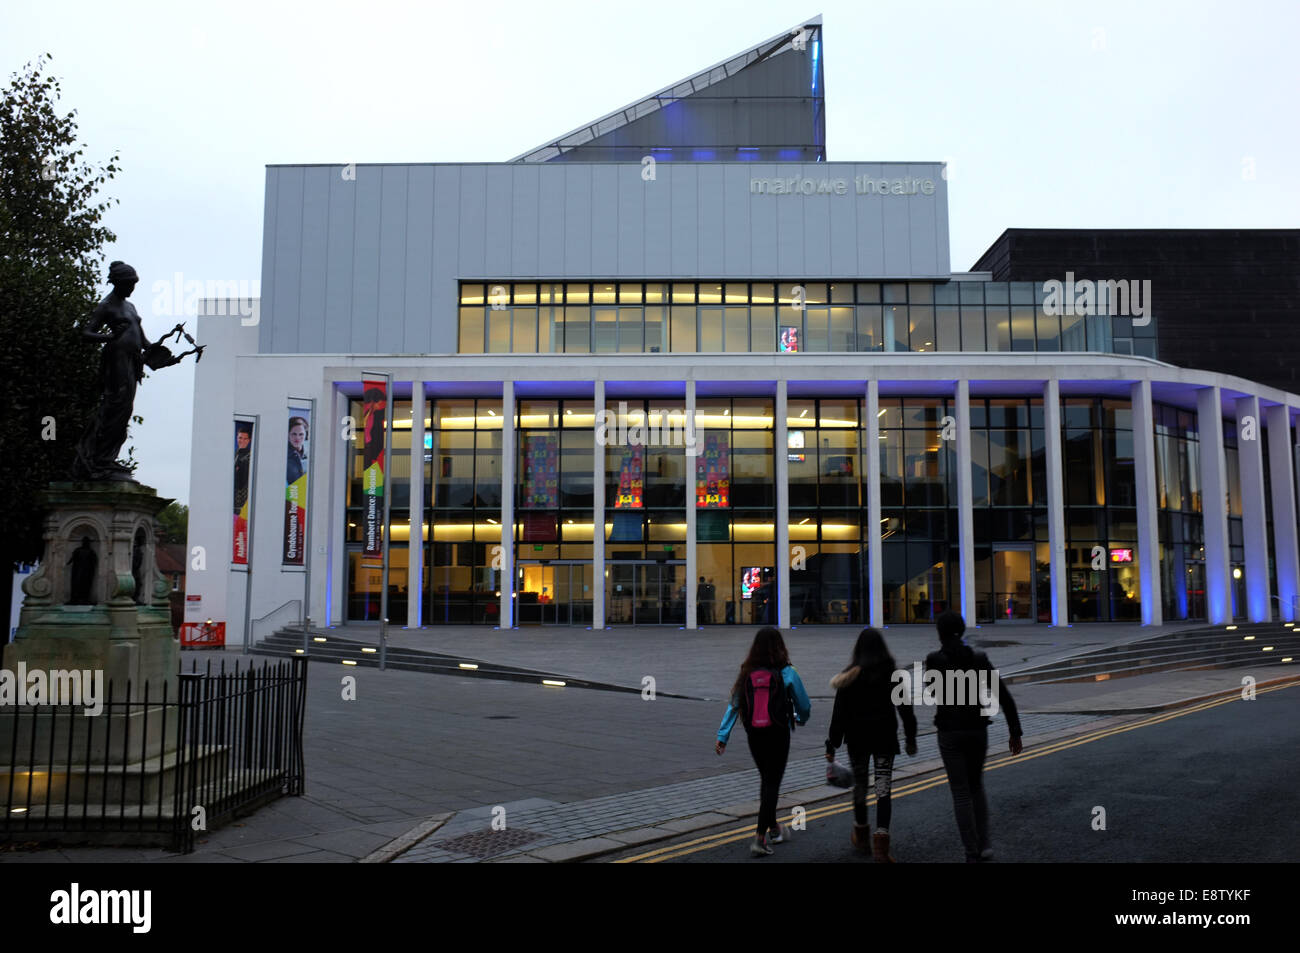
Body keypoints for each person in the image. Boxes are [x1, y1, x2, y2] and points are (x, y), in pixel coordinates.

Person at [926, 610, 1024, 862]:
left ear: (939, 633)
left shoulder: (934, 660)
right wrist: (1015, 732)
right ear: (963, 630)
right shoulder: (979, 658)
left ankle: (971, 850)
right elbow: (1004, 696)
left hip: (950, 732)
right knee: (976, 786)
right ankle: (985, 843)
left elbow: (932, 690)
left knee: (960, 792)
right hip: (977, 730)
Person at [715, 627, 811, 857]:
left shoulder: (747, 672)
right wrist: (800, 718)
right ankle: (760, 837)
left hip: (754, 734)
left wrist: (722, 736)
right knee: (772, 783)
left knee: (767, 780)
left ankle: (775, 828)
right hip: (778, 733)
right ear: (780, 645)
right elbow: (804, 705)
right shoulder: (787, 671)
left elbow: (734, 704)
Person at [825, 627, 917, 862]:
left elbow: (839, 715)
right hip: (885, 739)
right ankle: (881, 846)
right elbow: (906, 710)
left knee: (860, 787)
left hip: (857, 742)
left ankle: (862, 835)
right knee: (883, 789)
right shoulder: (892, 674)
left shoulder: (850, 676)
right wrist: (910, 738)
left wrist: (832, 744)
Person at [287, 416, 309, 484]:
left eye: (301, 434)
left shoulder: (310, 453)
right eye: (294, 434)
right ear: (288, 434)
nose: (297, 438)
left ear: (306, 435)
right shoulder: (283, 454)